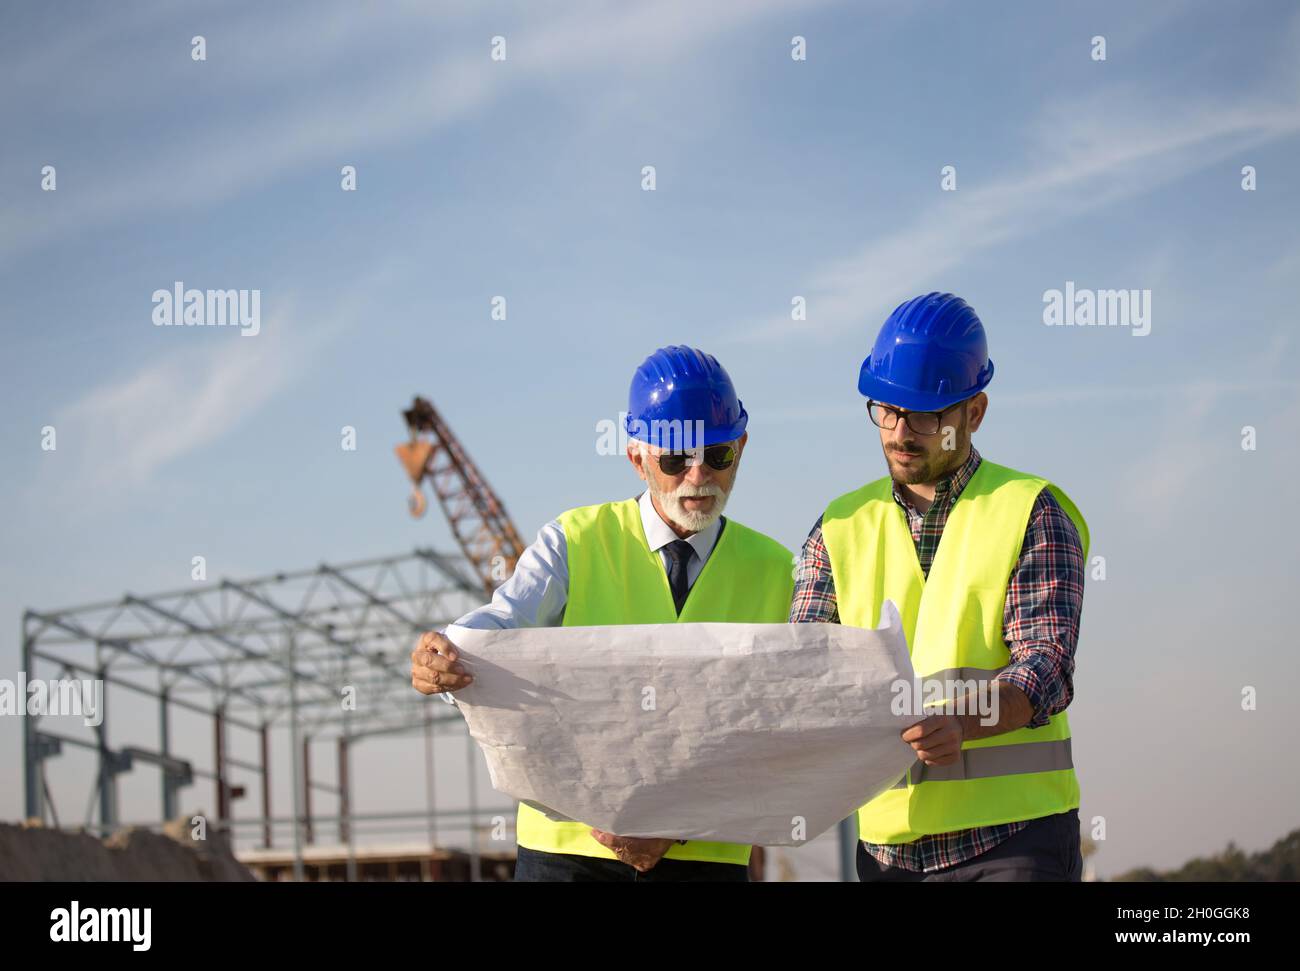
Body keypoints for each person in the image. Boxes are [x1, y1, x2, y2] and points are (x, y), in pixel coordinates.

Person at [412, 345, 794, 881]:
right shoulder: (575, 541)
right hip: (568, 856)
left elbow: (785, 720)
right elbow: (496, 630)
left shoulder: (779, 570)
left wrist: (675, 821)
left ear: (742, 445)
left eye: (718, 455)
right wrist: (443, 659)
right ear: (637, 459)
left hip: (706, 856)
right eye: (674, 458)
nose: (698, 475)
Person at [794, 292, 1089, 881]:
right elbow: (805, 669)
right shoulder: (836, 528)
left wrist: (965, 720)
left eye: (925, 416)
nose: (901, 432)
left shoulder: (1030, 509)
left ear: (974, 412)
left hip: (1013, 846)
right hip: (884, 855)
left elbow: (1047, 665)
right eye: (886, 410)